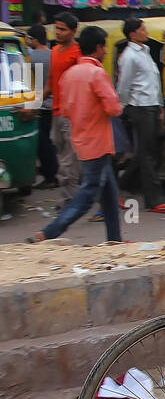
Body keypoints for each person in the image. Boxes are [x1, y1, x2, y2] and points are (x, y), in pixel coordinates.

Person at [29, 26, 122, 244]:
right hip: (98, 141)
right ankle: (49, 232)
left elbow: (67, 109)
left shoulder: (70, 74)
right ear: (98, 48)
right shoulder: (97, 73)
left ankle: (114, 239)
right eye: (105, 47)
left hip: (80, 137)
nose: (107, 52)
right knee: (88, 194)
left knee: (109, 194)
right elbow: (114, 108)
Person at [116, 17, 165, 215]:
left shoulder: (146, 51)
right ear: (133, 34)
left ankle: (121, 186)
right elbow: (124, 86)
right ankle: (153, 199)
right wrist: (124, 107)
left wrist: (159, 106)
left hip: (151, 106)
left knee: (147, 151)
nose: (145, 31)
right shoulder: (129, 56)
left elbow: (152, 82)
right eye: (142, 28)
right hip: (139, 107)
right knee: (147, 154)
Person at [48, 11, 82, 203]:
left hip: (71, 114)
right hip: (56, 111)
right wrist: (32, 104)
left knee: (69, 161)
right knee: (63, 157)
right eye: (57, 28)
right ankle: (72, 199)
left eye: (63, 29)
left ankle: (70, 202)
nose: (58, 33)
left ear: (74, 31)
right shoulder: (54, 52)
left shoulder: (77, 53)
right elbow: (50, 83)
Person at [25, 22, 58, 187]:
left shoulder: (29, 58)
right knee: (52, 143)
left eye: (29, 39)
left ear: (35, 40)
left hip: (39, 106)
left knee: (42, 144)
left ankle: (50, 177)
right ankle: (54, 174)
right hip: (55, 105)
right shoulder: (55, 55)